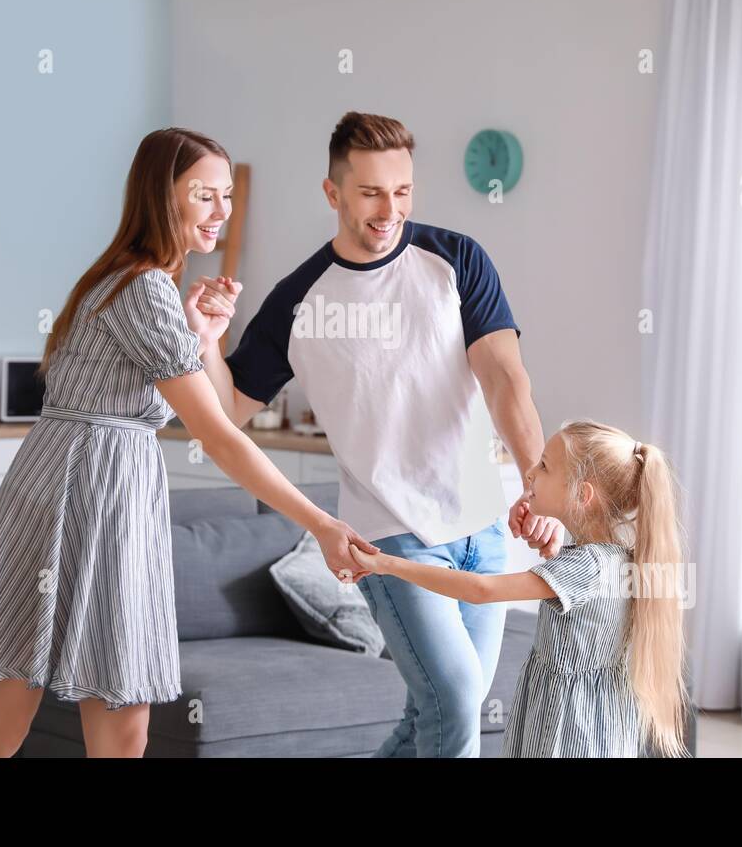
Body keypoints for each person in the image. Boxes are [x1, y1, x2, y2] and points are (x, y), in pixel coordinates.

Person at [0, 127, 378, 758]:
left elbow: (218, 414)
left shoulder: (120, 280)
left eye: (226, 195)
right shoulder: (143, 289)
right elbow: (220, 437)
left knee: (2, 732)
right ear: (161, 196)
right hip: (93, 500)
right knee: (116, 734)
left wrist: (201, 337)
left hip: (58, 493)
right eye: (205, 195)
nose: (222, 211)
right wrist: (321, 522)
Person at [186, 111, 563, 757]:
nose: (390, 209)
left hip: (483, 529)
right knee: (452, 703)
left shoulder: (455, 261)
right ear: (333, 194)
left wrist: (536, 479)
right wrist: (204, 341)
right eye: (370, 193)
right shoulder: (300, 301)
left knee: (438, 713)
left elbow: (504, 379)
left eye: (403, 191)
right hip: (390, 535)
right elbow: (230, 410)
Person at [350, 421, 691, 758]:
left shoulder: (584, 567)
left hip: (567, 725)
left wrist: (386, 564)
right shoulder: (618, 559)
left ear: (582, 494)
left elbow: (480, 590)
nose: (530, 472)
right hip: (600, 721)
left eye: (544, 466)